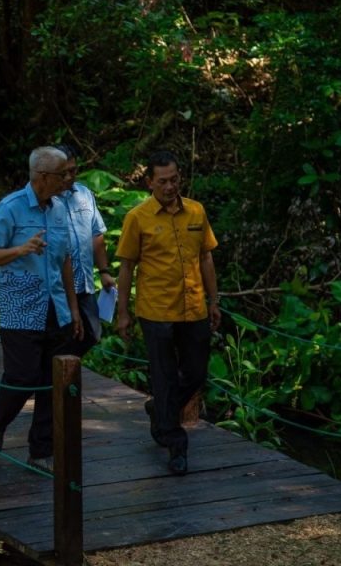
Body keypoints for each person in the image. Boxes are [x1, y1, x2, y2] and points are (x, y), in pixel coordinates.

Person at [115, 150, 221, 477]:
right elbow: (126, 267)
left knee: (196, 372)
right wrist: (123, 312)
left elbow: (206, 257)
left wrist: (214, 301)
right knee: (164, 374)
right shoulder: (138, 217)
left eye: (174, 179)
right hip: (156, 309)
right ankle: (175, 443)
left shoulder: (196, 211)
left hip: (193, 306)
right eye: (162, 181)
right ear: (150, 182)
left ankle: (160, 409)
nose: (170, 186)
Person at [0, 146, 82, 472]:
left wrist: (74, 309)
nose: (67, 179)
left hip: (56, 307)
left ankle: (40, 450)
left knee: (53, 382)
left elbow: (66, 260)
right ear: (42, 177)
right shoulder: (10, 208)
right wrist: (22, 249)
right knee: (23, 377)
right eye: (62, 174)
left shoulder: (60, 209)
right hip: (20, 307)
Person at [54, 144, 114, 357]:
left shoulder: (84, 194)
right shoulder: (46, 199)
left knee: (92, 333)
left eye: (73, 170)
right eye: (64, 172)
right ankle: (53, 372)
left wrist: (104, 271)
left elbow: (96, 234)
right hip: (58, 286)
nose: (69, 176)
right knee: (63, 334)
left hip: (84, 282)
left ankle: (58, 368)